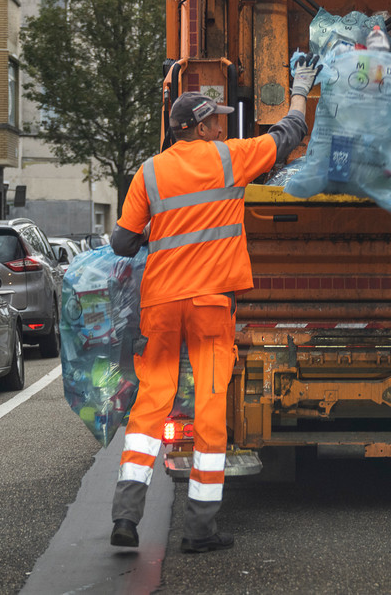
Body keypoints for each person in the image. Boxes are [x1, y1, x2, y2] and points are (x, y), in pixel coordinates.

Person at [108, 54, 320, 554]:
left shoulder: (149, 172)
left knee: (149, 407)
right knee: (208, 409)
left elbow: (121, 242)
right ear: (199, 126)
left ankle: (125, 518)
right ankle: (199, 531)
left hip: (160, 305)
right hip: (209, 305)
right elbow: (289, 134)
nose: (221, 128)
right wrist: (301, 88)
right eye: (215, 121)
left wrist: (155, 239)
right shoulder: (229, 160)